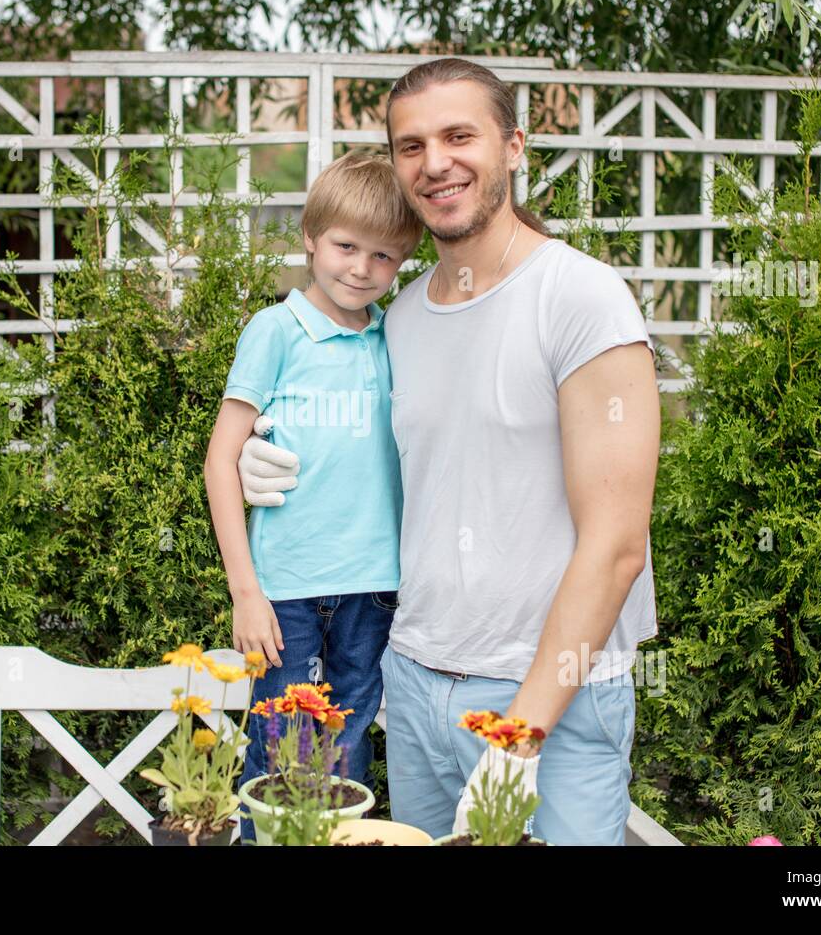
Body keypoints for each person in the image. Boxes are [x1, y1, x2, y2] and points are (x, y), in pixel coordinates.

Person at [236, 58, 661, 844]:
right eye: (411, 145)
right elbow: (388, 476)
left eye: (459, 135)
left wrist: (519, 740)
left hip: (547, 704)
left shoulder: (581, 298)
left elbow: (616, 548)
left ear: (515, 147)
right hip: (416, 685)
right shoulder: (397, 318)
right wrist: (260, 458)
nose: (434, 162)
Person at [203, 150, 423, 841]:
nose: (361, 268)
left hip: (377, 585)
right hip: (287, 589)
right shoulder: (276, 331)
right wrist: (246, 590)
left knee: (346, 749)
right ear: (309, 236)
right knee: (281, 749)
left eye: (384, 256)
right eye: (346, 246)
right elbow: (220, 460)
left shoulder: (399, 336)